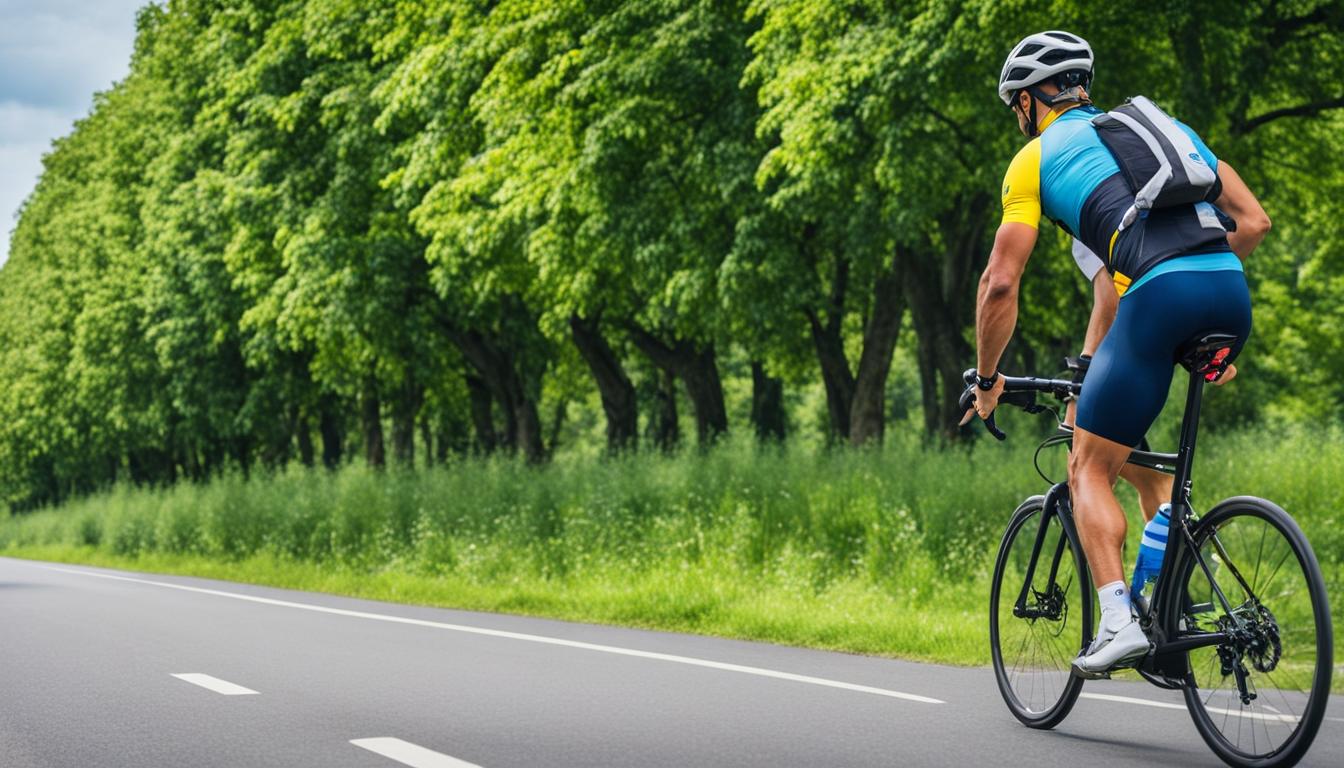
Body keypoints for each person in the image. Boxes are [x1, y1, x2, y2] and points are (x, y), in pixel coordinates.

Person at [966, 31, 1271, 678]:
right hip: (1228, 292)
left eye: (1015, 109)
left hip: (1160, 299)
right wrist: (1196, 310)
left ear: (1028, 102)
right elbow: (1252, 222)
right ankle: (1174, 611)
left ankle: (1116, 623)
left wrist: (988, 379)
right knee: (1153, 475)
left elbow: (999, 282)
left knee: (1085, 465)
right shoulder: (1160, 131)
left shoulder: (1038, 159)